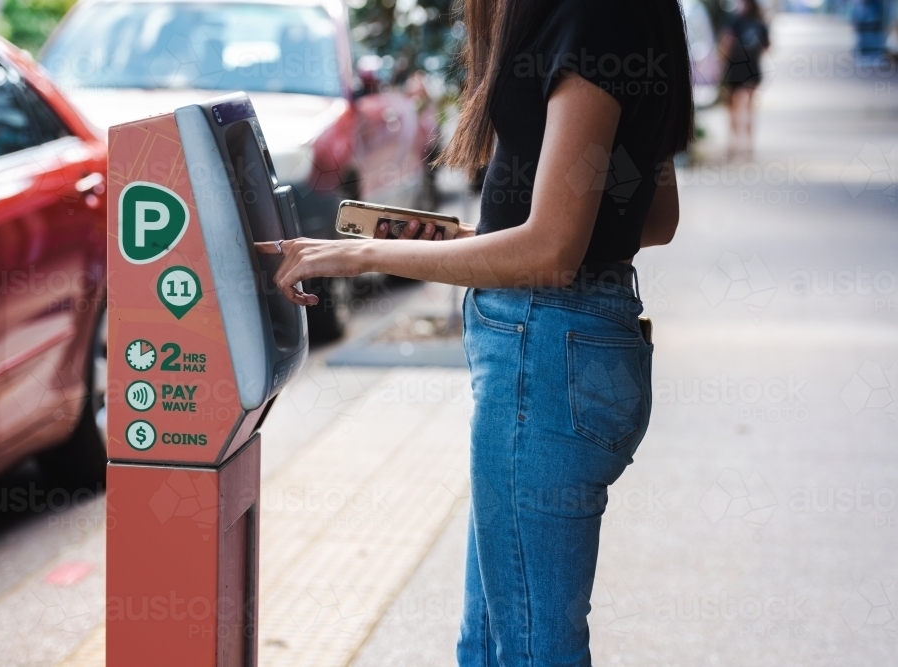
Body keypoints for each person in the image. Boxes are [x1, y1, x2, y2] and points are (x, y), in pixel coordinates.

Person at [257, 0, 693, 663]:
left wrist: (365, 255)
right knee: (489, 643)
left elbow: (550, 252)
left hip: (545, 352)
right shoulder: (630, 17)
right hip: (572, 345)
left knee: (524, 648)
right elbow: (647, 216)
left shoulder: (586, 17)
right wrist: (458, 238)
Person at [720, 0, 770, 159]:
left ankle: (733, 145)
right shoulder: (760, 23)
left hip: (735, 69)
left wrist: (721, 62)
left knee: (734, 108)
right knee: (749, 108)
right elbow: (767, 46)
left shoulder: (734, 21)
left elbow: (725, 44)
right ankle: (749, 147)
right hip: (753, 69)